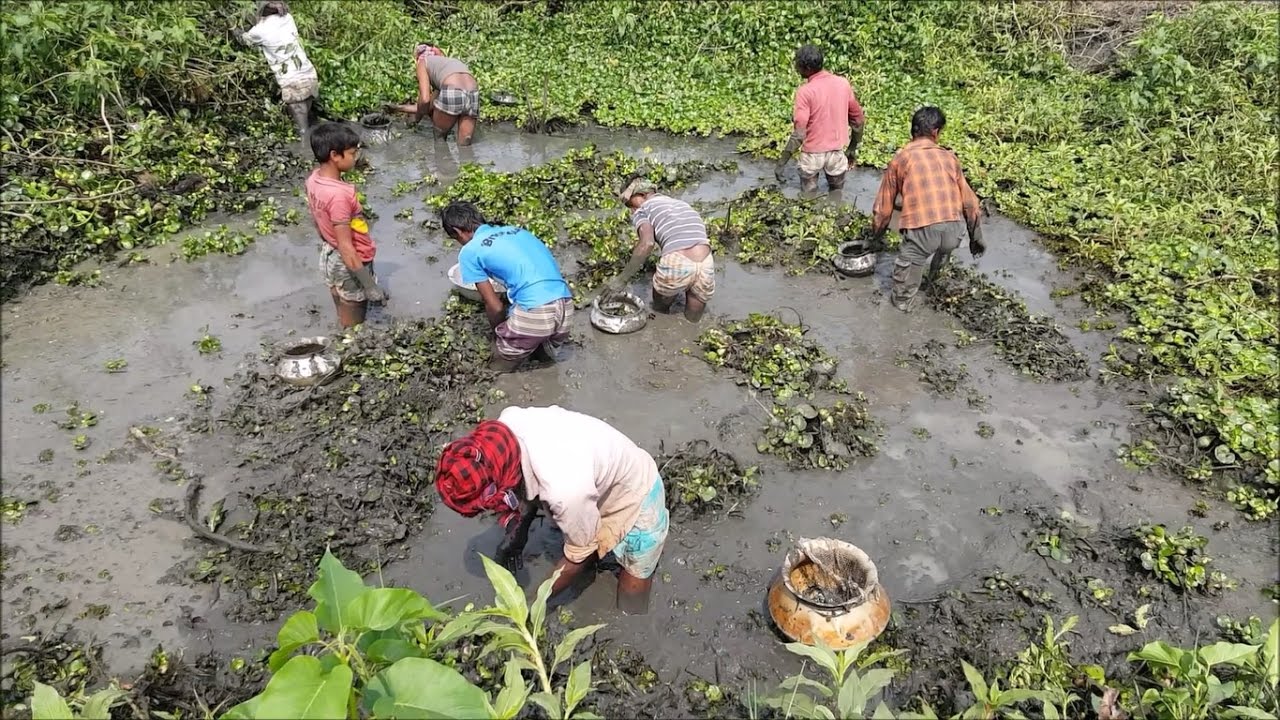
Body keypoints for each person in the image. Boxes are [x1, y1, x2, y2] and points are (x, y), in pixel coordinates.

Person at [435, 406, 668, 614]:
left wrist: (532, 605)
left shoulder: (564, 491)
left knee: (632, 592)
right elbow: (522, 484)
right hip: (592, 472)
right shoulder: (503, 431)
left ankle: (633, 622)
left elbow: (578, 556)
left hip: (637, 491)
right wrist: (518, 536)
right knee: (582, 534)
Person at [870, 106, 985, 313]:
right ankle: (933, 283)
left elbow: (883, 211)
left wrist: (875, 238)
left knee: (902, 297)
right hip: (953, 231)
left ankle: (901, 316)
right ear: (936, 132)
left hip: (922, 232)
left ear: (913, 130)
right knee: (942, 253)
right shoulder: (950, 158)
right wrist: (976, 240)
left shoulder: (901, 158)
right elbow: (971, 204)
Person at [441, 201, 574, 372]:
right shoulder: (518, 231)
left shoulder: (470, 251)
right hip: (565, 308)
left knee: (498, 366)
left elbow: (495, 306)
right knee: (543, 360)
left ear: (458, 231)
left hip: (536, 312)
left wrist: (498, 335)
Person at [305, 122, 389, 328]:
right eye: (352, 153)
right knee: (354, 315)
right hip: (349, 261)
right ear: (335, 155)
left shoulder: (314, 180)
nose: (356, 157)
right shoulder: (339, 196)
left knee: (340, 297)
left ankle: (342, 327)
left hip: (329, 254)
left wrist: (329, 241)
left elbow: (316, 219)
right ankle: (350, 337)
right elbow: (346, 246)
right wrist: (370, 286)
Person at [607, 178, 715, 322]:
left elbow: (647, 243)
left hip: (677, 261)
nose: (631, 209)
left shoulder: (643, 209)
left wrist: (622, 279)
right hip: (705, 261)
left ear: (642, 194)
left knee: (660, 312)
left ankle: (661, 325)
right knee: (693, 321)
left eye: (629, 204)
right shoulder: (682, 204)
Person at [774, 44, 866, 194]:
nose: (796, 68)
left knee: (808, 196)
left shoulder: (805, 92)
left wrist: (781, 163)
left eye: (797, 65)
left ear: (806, 68)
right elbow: (858, 121)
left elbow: (799, 134)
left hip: (812, 155)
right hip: (837, 152)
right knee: (836, 193)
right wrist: (852, 148)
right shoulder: (843, 84)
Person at [239, 1, 318, 137]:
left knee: (303, 128)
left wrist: (233, 27)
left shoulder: (259, 31)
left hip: (291, 80)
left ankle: (305, 146)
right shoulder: (287, 18)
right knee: (305, 111)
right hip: (308, 73)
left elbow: (243, 40)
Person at [388, 45, 479, 145]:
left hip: (452, 89)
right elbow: (430, 104)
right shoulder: (447, 65)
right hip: (473, 91)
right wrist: (398, 108)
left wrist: (415, 120)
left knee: (440, 139)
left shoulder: (423, 63)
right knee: (465, 145)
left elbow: (425, 101)